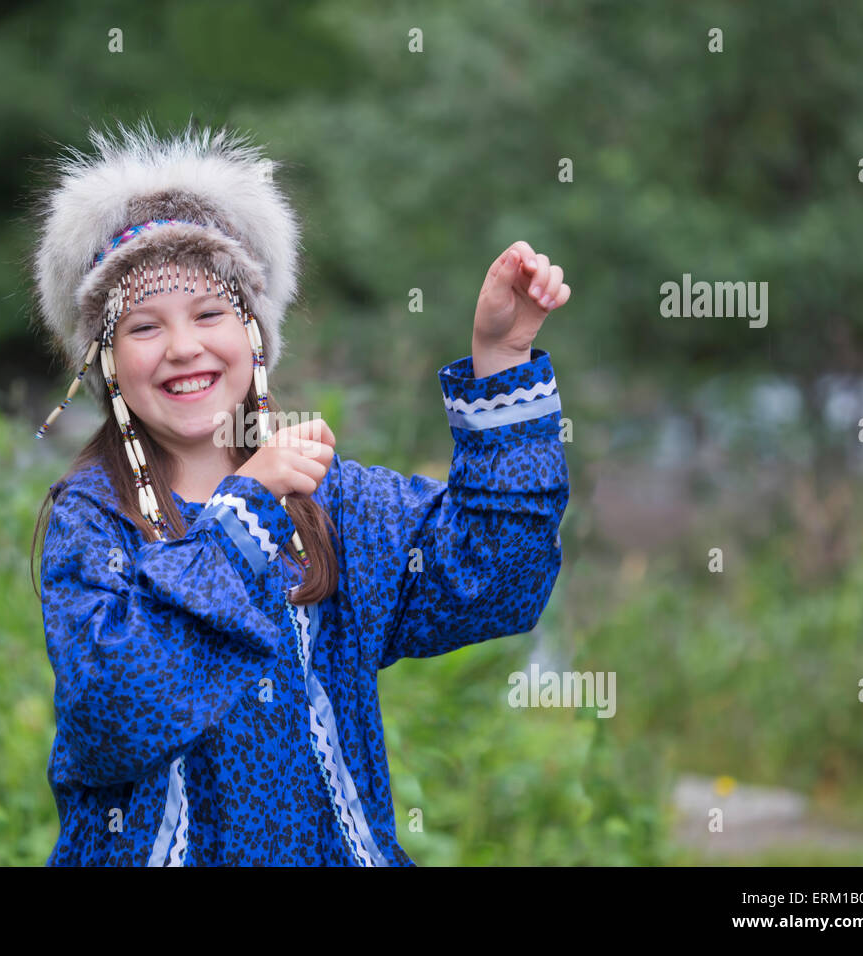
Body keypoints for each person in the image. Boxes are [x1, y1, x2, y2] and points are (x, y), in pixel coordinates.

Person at [28, 117, 571, 865]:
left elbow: (496, 579)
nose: (184, 347)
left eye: (211, 313)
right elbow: (115, 713)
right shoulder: (92, 519)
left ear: (256, 334)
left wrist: (501, 361)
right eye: (144, 326)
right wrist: (240, 516)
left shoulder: (329, 502)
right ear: (106, 362)